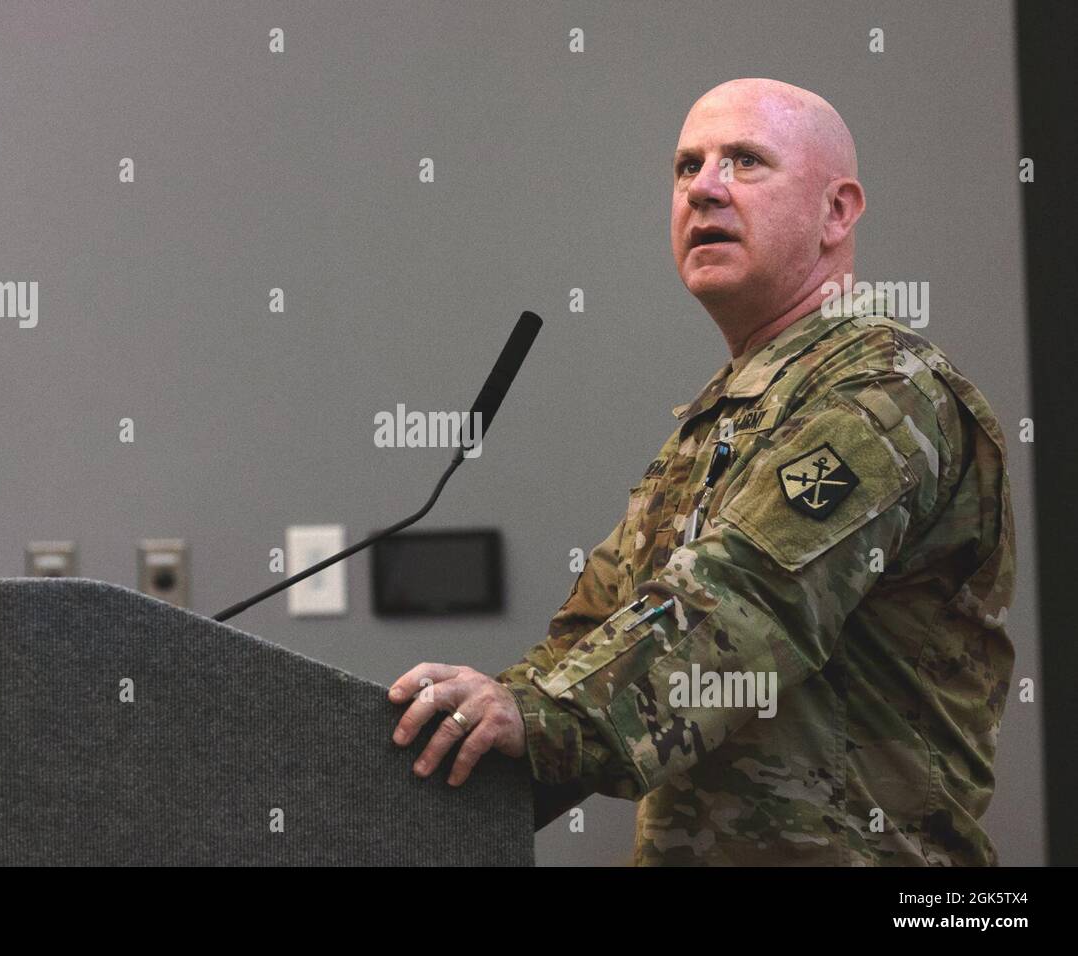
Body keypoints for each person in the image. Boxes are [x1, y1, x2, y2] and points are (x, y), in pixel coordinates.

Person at [388, 78, 1015, 865]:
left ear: (837, 211)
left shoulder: (884, 391)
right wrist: (457, 733)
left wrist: (540, 719)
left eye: (745, 162)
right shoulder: (725, 414)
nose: (705, 189)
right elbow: (595, 633)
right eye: (687, 167)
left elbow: (746, 603)